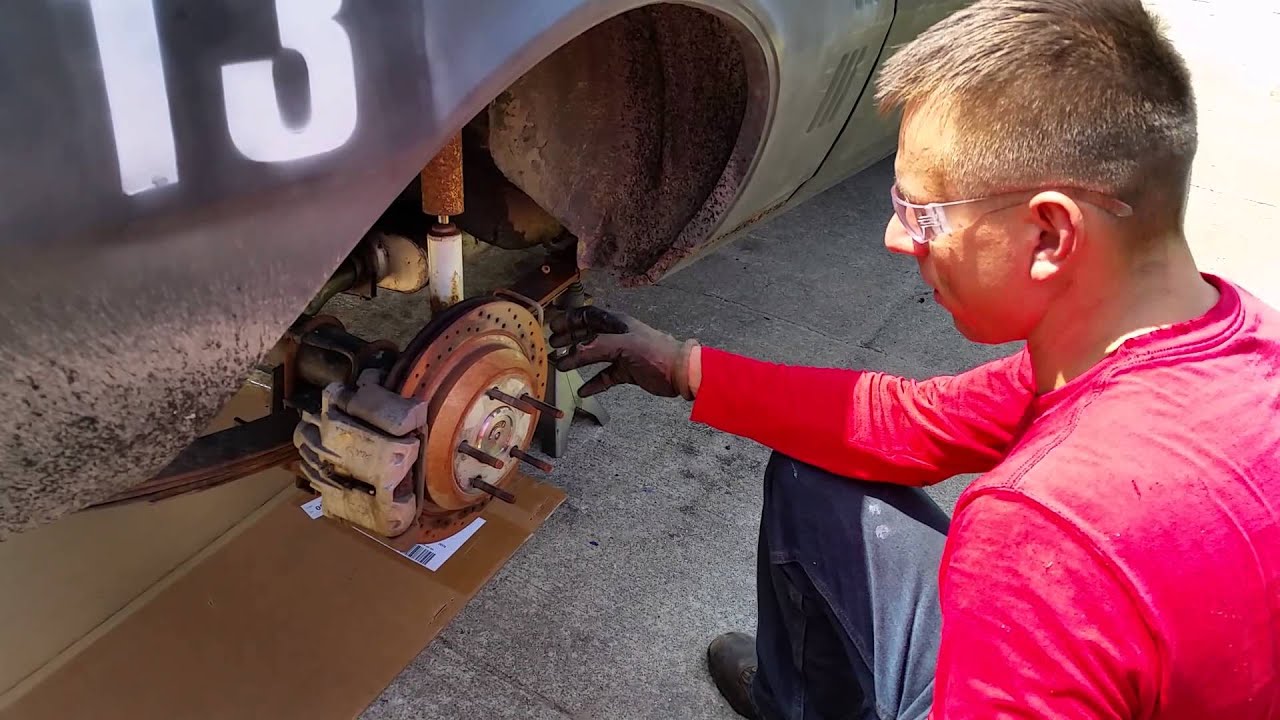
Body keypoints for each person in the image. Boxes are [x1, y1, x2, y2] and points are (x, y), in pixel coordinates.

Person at [548, 1, 1280, 718]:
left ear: (1050, 235)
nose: (897, 239)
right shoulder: (1225, 337)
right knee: (814, 468)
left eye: (922, 213)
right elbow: (912, 422)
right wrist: (682, 365)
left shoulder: (1043, 539)